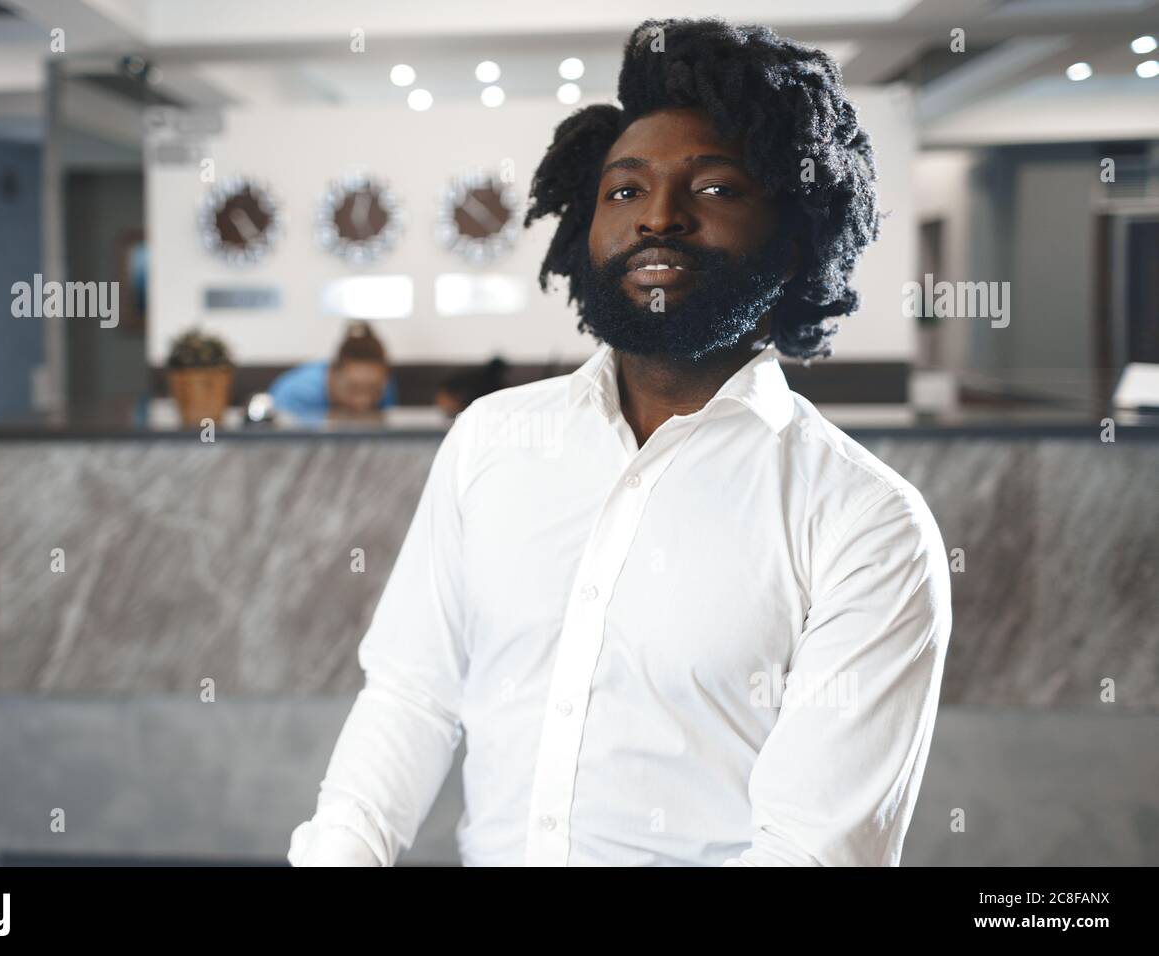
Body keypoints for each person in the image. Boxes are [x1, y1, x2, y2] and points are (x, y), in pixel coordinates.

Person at [289, 17, 951, 867]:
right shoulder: (491, 442)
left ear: (792, 241)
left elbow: (813, 852)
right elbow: (412, 696)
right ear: (585, 231)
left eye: (714, 189)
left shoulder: (867, 523)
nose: (659, 218)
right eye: (626, 191)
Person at [267, 321, 397, 421]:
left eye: (374, 391)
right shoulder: (295, 394)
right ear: (332, 373)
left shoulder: (386, 388)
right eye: (353, 389)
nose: (363, 402)